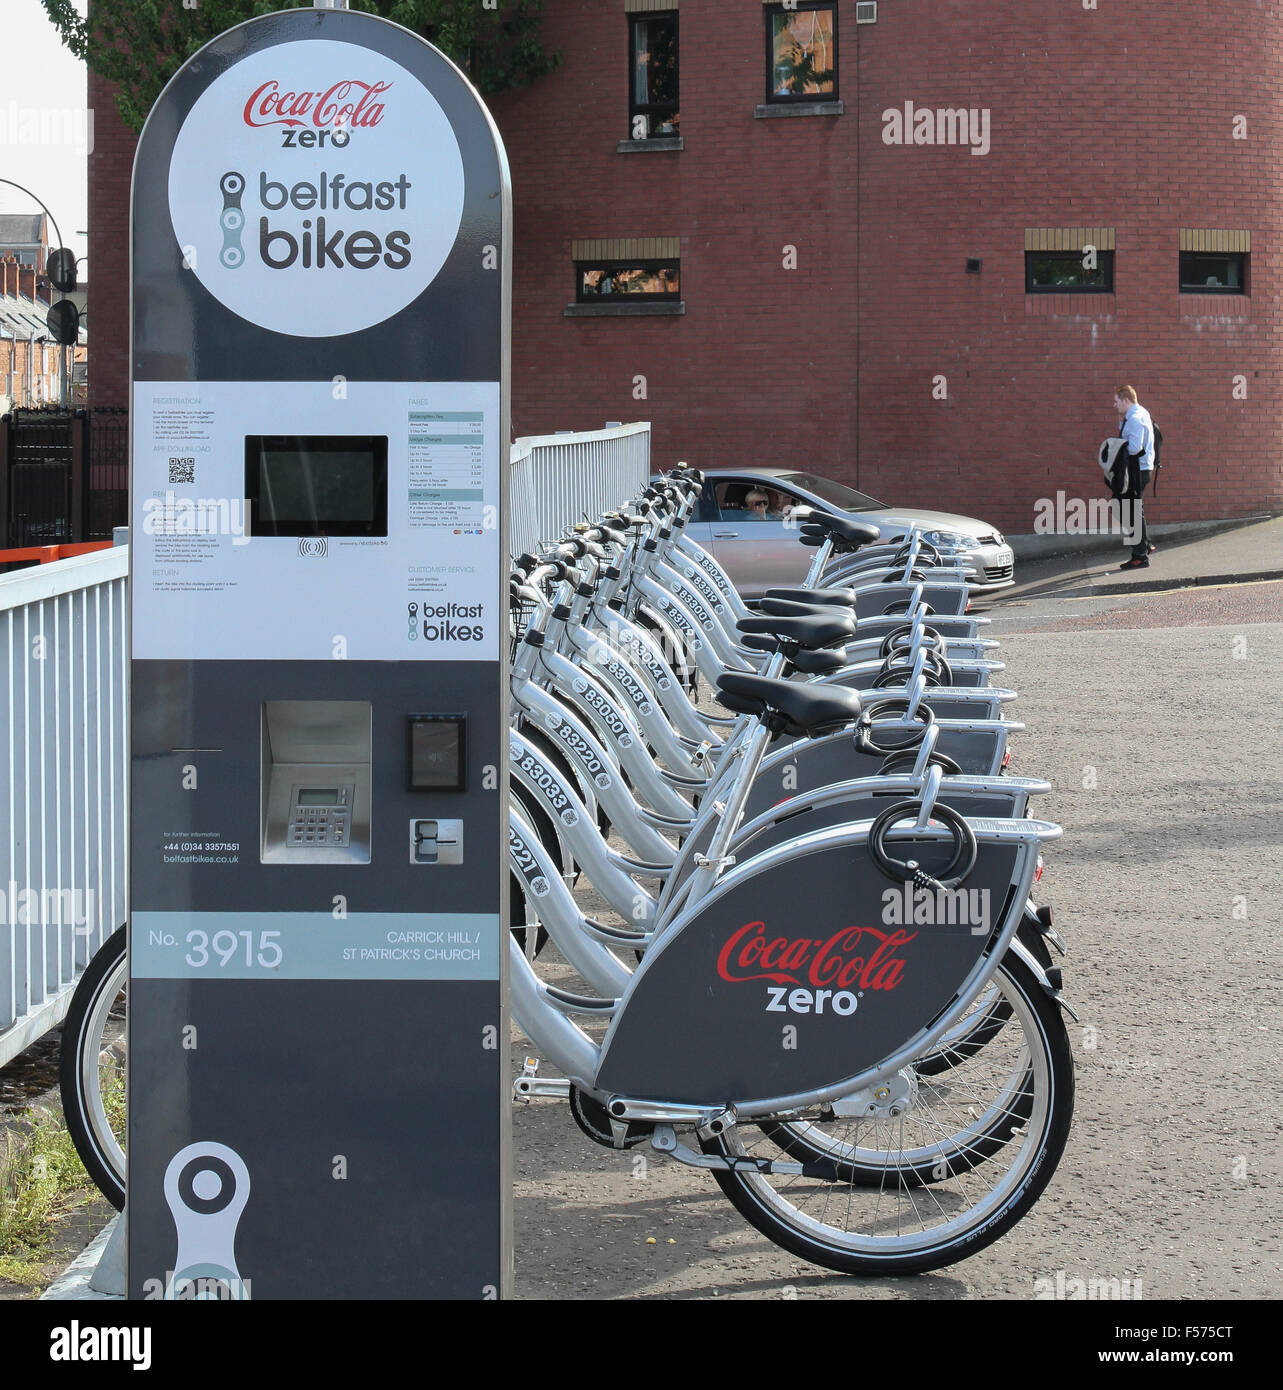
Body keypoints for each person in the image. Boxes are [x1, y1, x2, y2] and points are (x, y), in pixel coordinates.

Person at [1112, 385, 1156, 569]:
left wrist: (1118, 448)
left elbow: (1134, 448)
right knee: (1134, 509)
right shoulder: (1138, 414)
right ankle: (1145, 545)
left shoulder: (1136, 419)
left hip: (1137, 471)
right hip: (1141, 469)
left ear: (1126, 400)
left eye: (1116, 401)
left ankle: (1140, 556)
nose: (1114, 405)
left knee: (1126, 509)